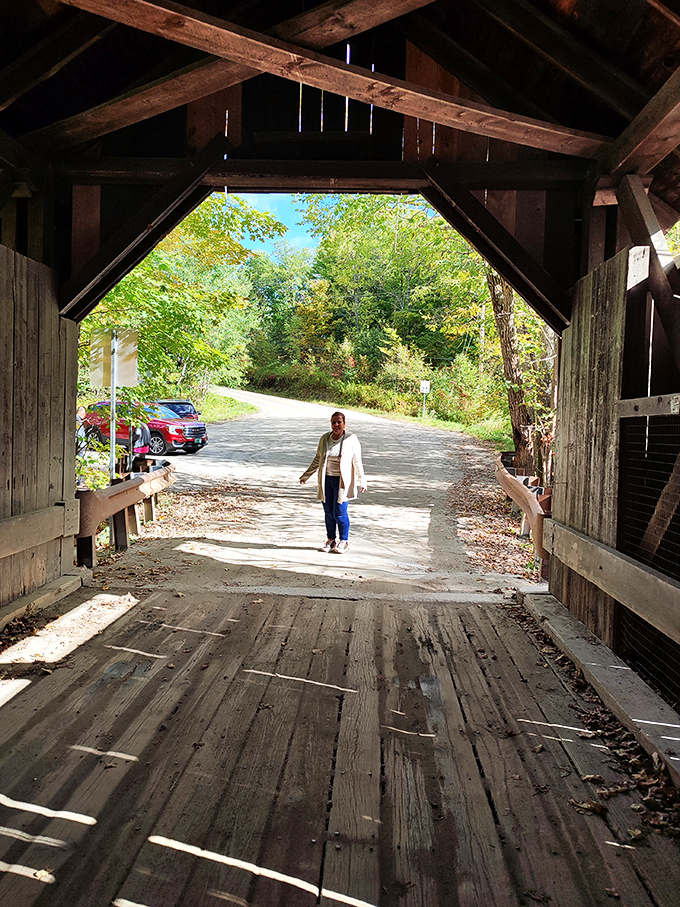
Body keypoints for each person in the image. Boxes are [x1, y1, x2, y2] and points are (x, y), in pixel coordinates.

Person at [299, 411, 367, 553]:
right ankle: (331, 540)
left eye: (339, 422)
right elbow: (318, 459)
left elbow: (357, 461)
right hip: (326, 480)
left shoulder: (351, 439)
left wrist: (363, 480)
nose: (336, 425)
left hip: (342, 482)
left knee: (339, 512)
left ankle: (344, 541)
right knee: (328, 512)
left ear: (344, 424)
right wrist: (306, 475)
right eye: (333, 422)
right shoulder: (325, 438)